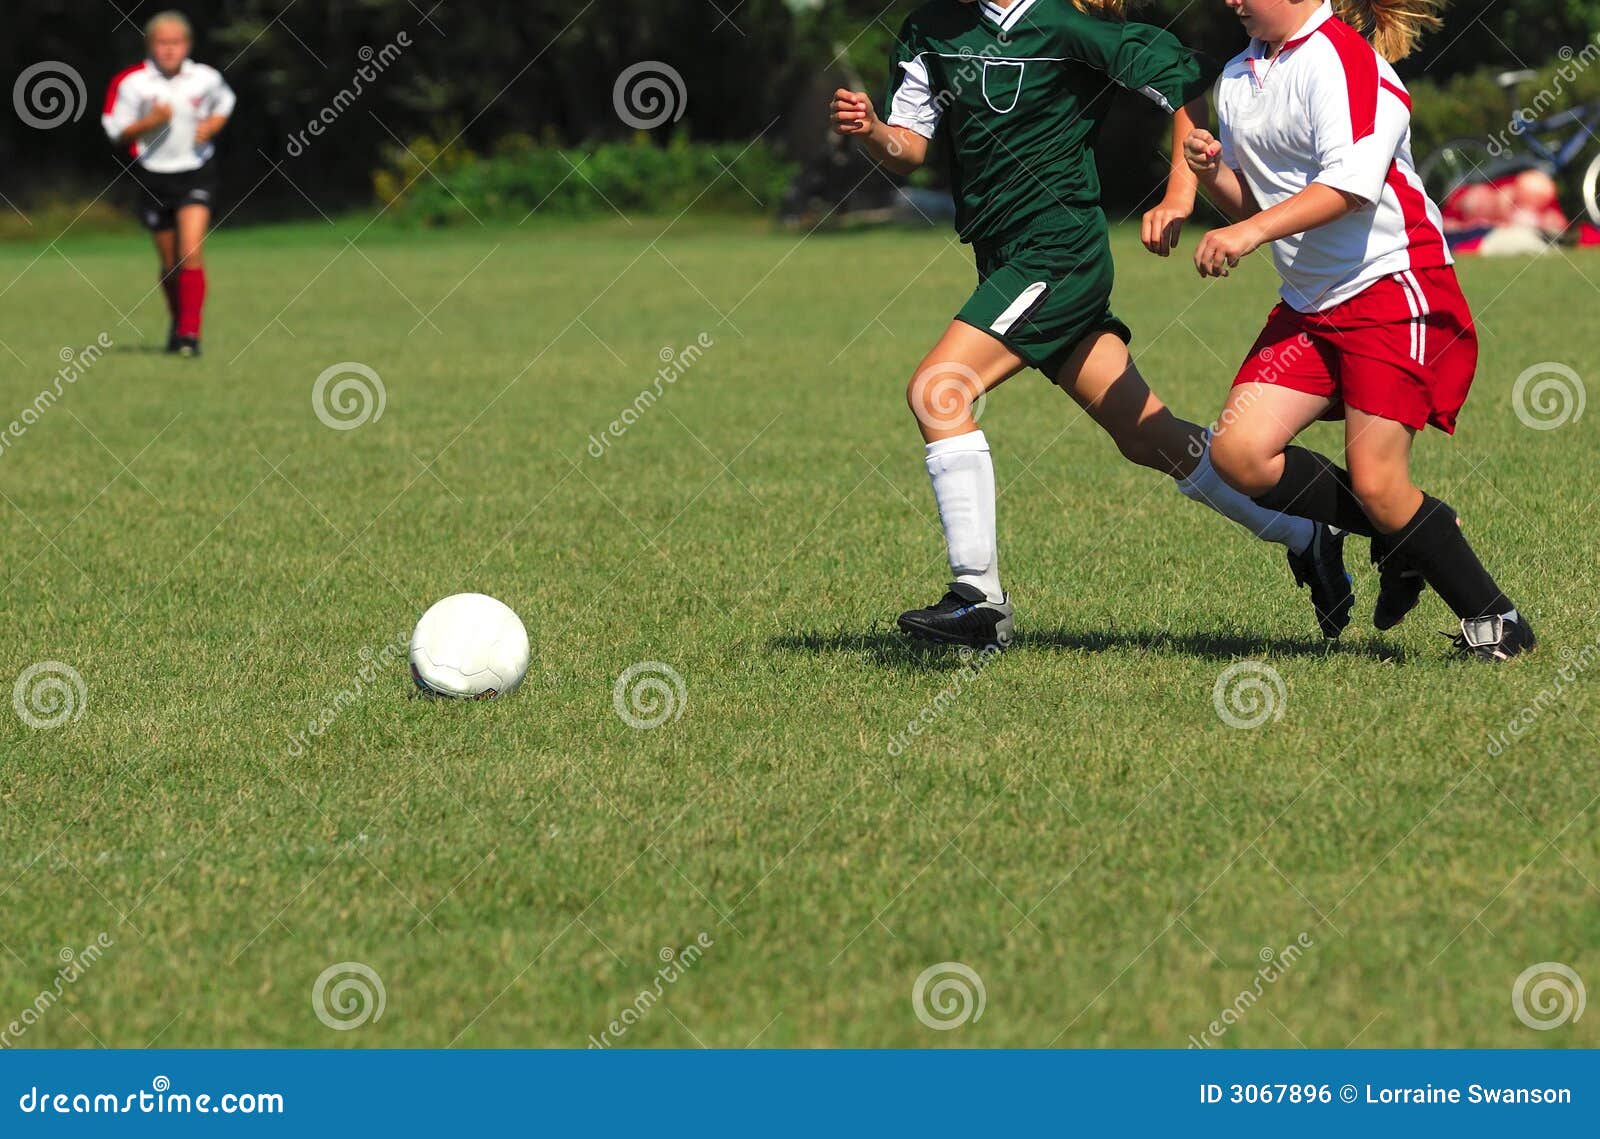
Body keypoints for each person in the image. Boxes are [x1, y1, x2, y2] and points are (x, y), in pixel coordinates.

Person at [830, 0, 1349, 651]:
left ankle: (978, 599)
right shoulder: (926, 29)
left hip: (1057, 254)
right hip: (1005, 261)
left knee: (940, 389)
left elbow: (1183, 77)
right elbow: (909, 150)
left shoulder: (1065, 23)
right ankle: (1311, 533)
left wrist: (1180, 194)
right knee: (1149, 437)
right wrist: (873, 129)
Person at [1188, 0, 1533, 660]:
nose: (1230, 1)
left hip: (1391, 285)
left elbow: (1350, 188)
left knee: (1378, 482)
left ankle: (1500, 623)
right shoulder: (1237, 75)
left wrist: (1250, 231)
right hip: (1311, 303)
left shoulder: (1344, 61)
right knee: (1239, 453)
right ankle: (1412, 529)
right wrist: (1214, 178)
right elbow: (1261, 202)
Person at [101, 10, 234, 357]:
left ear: (187, 44)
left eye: (176, 42)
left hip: (196, 172)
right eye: (162, 42)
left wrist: (214, 125)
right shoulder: (132, 83)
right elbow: (117, 132)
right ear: (150, 45)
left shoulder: (205, 78)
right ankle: (178, 321)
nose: (169, 49)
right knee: (171, 264)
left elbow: (225, 103)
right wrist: (151, 121)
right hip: (153, 177)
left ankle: (190, 334)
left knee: (190, 252)